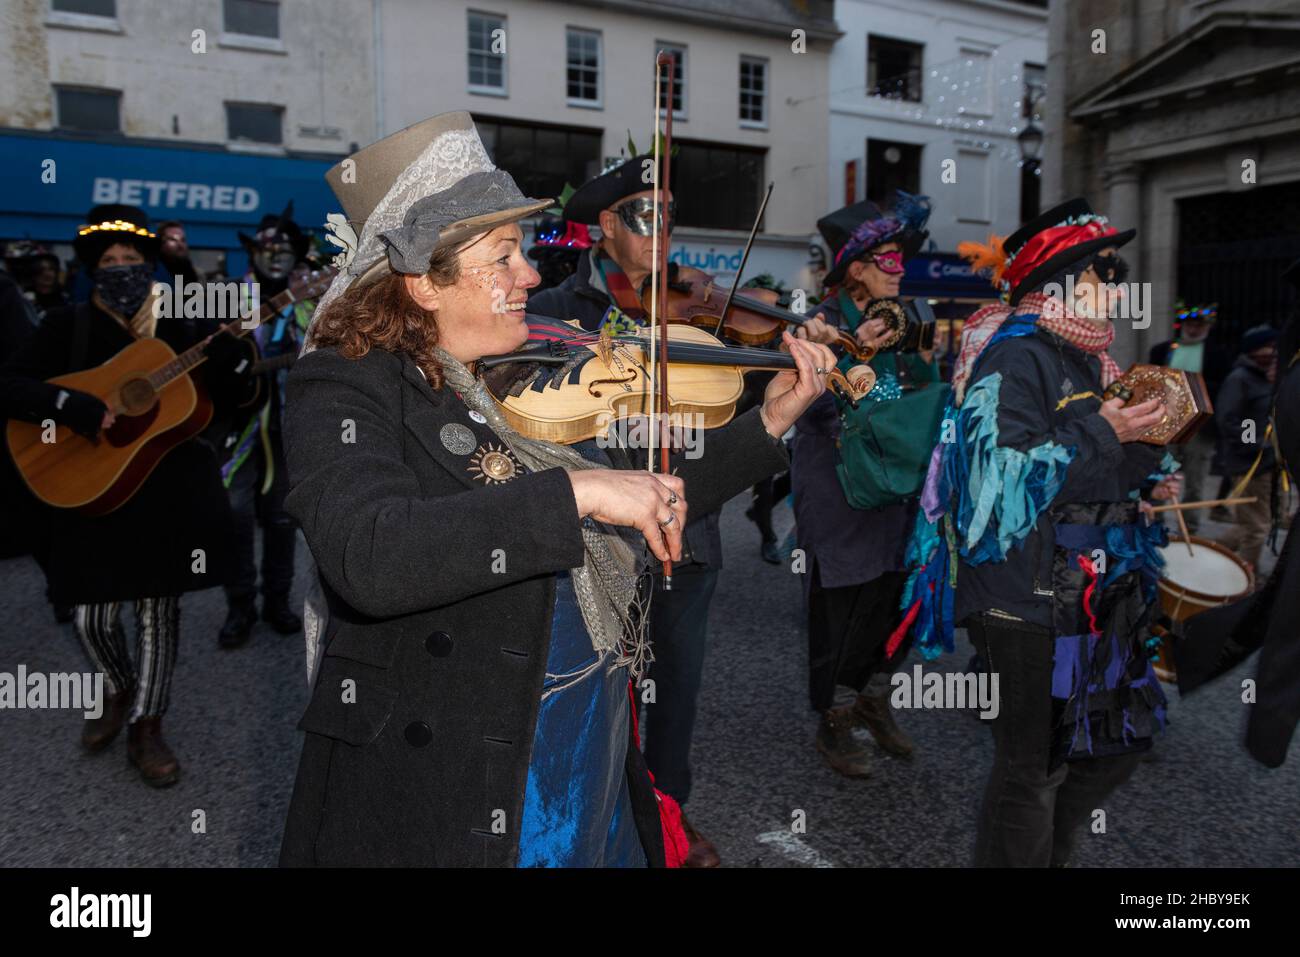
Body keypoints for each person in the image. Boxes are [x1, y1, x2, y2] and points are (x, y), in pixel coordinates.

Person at [276, 112, 834, 868]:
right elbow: (372, 554)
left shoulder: (495, 377)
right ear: (423, 281)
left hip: (580, 737)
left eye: (523, 255)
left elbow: (640, 490)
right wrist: (575, 495)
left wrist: (767, 421)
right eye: (502, 257)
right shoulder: (340, 385)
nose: (530, 276)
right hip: (464, 769)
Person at [905, 198, 1181, 866]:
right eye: (1105, 270)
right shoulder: (1014, 358)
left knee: (1117, 740)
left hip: (1087, 592)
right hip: (1024, 600)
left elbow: (1088, 468)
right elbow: (994, 485)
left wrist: (1146, 479)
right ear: (1059, 284)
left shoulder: (1088, 361)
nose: (1118, 284)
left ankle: (1046, 852)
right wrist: (1105, 431)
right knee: (1034, 769)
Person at [0, 204, 251, 786]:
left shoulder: (181, 324)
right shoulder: (67, 325)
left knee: (158, 613)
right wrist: (73, 405)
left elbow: (229, 397)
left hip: (168, 493)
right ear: (92, 268)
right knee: (91, 618)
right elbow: (8, 385)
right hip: (90, 490)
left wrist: (237, 363)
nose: (121, 269)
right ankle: (117, 687)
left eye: (131, 258)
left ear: (149, 263)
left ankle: (147, 724)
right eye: (109, 261)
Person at [527, 153, 727, 865]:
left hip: (688, 529)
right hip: (604, 539)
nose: (664, 229)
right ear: (607, 224)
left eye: (672, 213)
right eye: (648, 214)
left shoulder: (701, 306)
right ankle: (606, 807)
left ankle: (670, 812)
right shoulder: (553, 312)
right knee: (605, 686)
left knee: (677, 687)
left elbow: (733, 417)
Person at [790, 193, 934, 776]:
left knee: (893, 602)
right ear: (857, 268)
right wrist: (854, 359)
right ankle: (835, 718)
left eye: (902, 259)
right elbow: (823, 413)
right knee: (840, 609)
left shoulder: (910, 320)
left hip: (899, 494)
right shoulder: (820, 326)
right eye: (890, 259)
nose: (902, 270)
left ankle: (873, 698)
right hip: (842, 493)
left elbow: (925, 394)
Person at [212, 204, 315, 647]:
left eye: (284, 249)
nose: (275, 256)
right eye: (266, 248)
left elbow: (326, 352)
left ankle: (277, 601)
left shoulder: (308, 301)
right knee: (234, 513)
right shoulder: (230, 297)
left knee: (280, 518)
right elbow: (203, 357)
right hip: (238, 425)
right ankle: (240, 605)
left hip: (289, 425)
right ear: (252, 252)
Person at [1148, 302, 1228, 533]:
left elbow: (1222, 386)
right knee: (1161, 474)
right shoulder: (1162, 350)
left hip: (1199, 426)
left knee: (1195, 479)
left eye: (1198, 325)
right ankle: (1156, 522)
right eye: (1189, 324)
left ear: (1207, 326)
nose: (1193, 329)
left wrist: (1190, 384)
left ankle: (1190, 526)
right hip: (1166, 423)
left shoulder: (1217, 353)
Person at [1214, 325, 1279, 574]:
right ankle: (1246, 575)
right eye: (1268, 347)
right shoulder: (1240, 379)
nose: (1272, 352)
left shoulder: (1266, 377)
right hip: (1249, 463)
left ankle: (1210, 550)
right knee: (1256, 527)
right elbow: (1232, 419)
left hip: (1266, 462)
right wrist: (1256, 444)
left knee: (1251, 523)